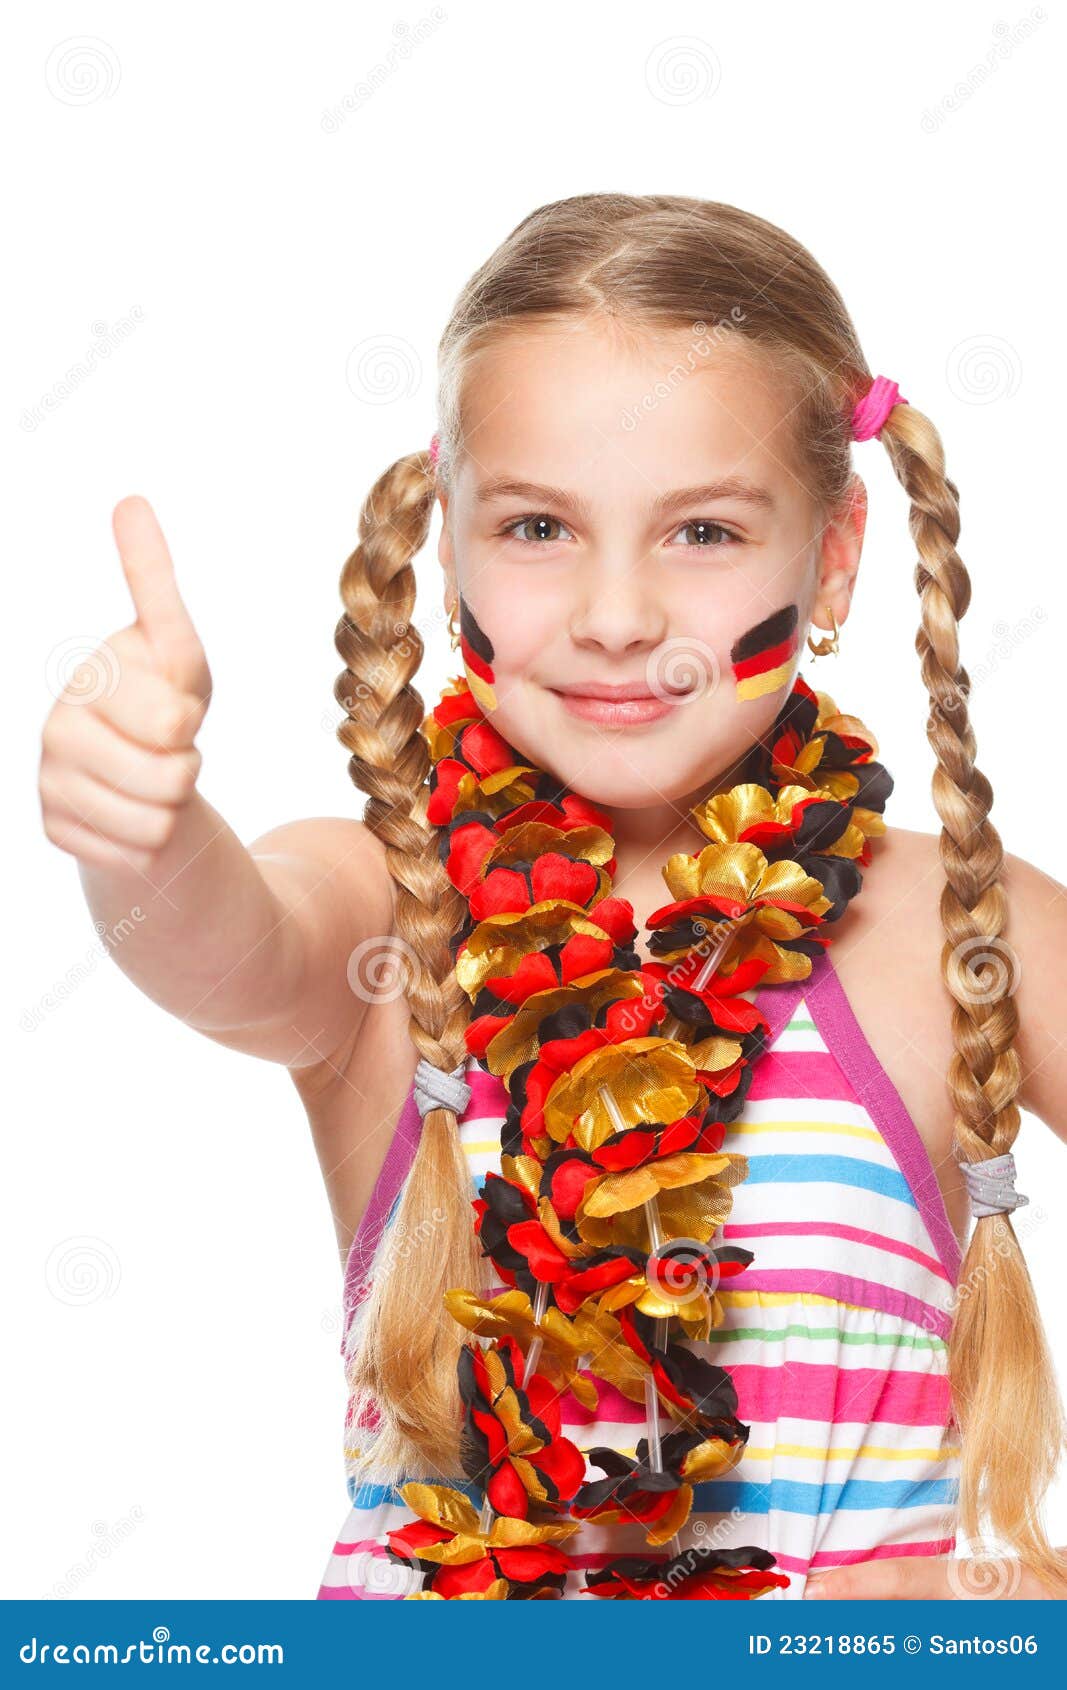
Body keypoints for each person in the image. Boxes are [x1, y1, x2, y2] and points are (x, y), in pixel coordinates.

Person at [39, 193, 1067, 1600]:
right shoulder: (383, 905)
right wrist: (137, 837)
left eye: (703, 533)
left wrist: (1015, 1592)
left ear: (832, 555)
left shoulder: (959, 926)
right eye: (538, 525)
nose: (615, 613)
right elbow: (229, 939)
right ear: (447, 536)